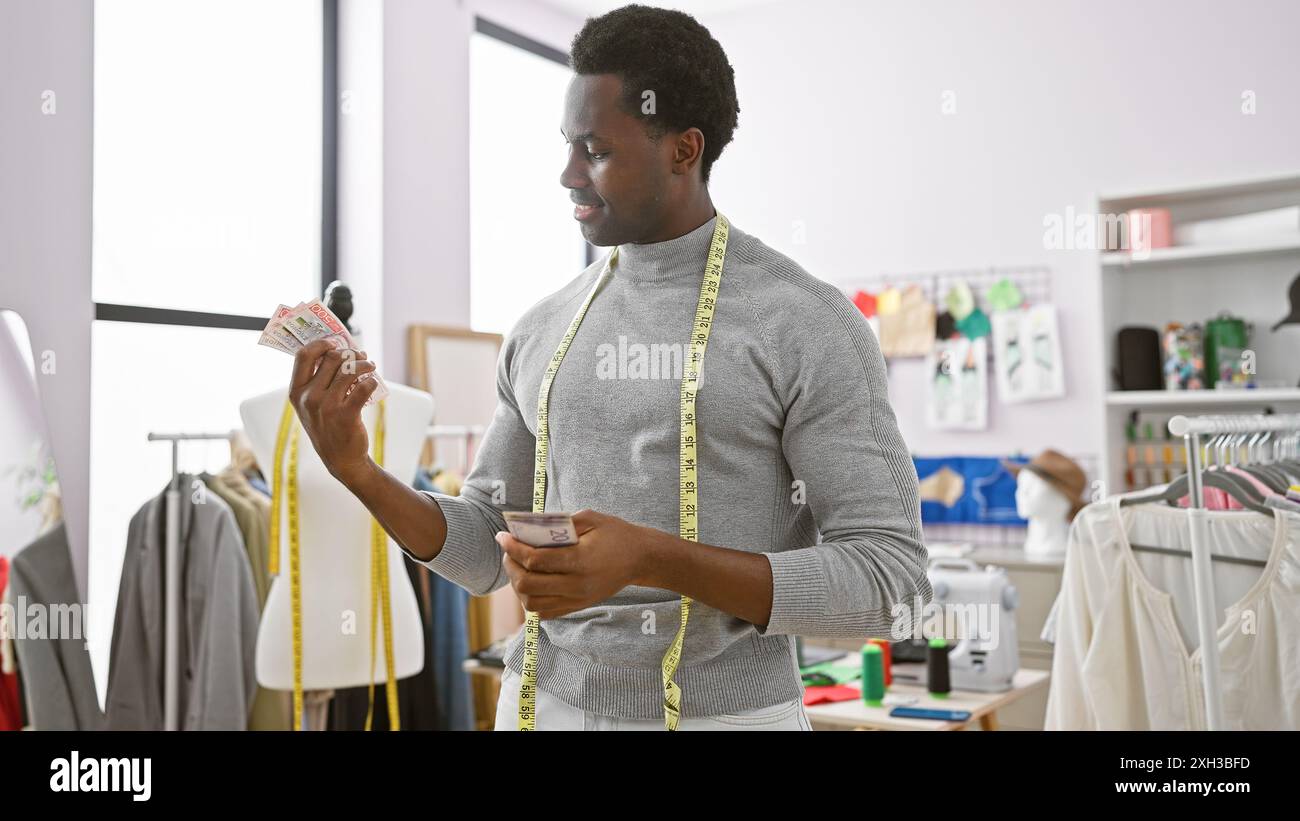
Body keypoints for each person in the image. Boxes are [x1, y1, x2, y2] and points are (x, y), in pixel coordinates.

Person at [289, 4, 930, 731]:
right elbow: (481, 548)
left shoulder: (805, 322)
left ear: (683, 150)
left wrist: (651, 558)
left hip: (727, 718)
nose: (567, 174)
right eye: (568, 145)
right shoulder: (541, 328)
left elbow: (890, 577)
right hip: (542, 708)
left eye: (594, 149)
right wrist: (358, 471)